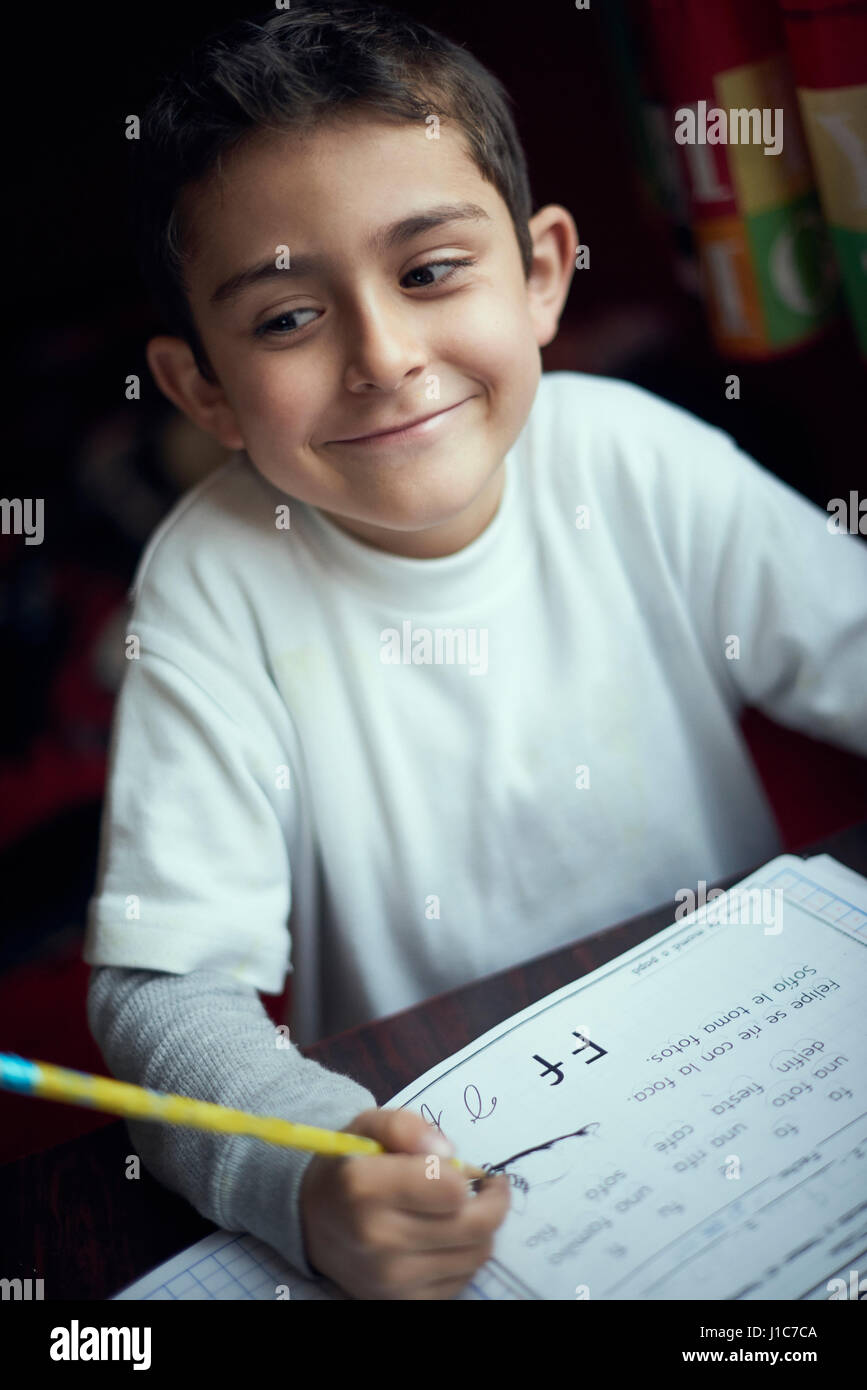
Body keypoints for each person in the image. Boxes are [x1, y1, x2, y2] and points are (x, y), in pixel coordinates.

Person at [85, 4, 867, 1300]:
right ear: (204, 391)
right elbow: (162, 995)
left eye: (432, 270)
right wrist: (309, 1166)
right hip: (439, 1161)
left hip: (754, 1085)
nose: (386, 358)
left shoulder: (633, 456)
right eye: (286, 319)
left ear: (545, 274)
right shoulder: (212, 584)